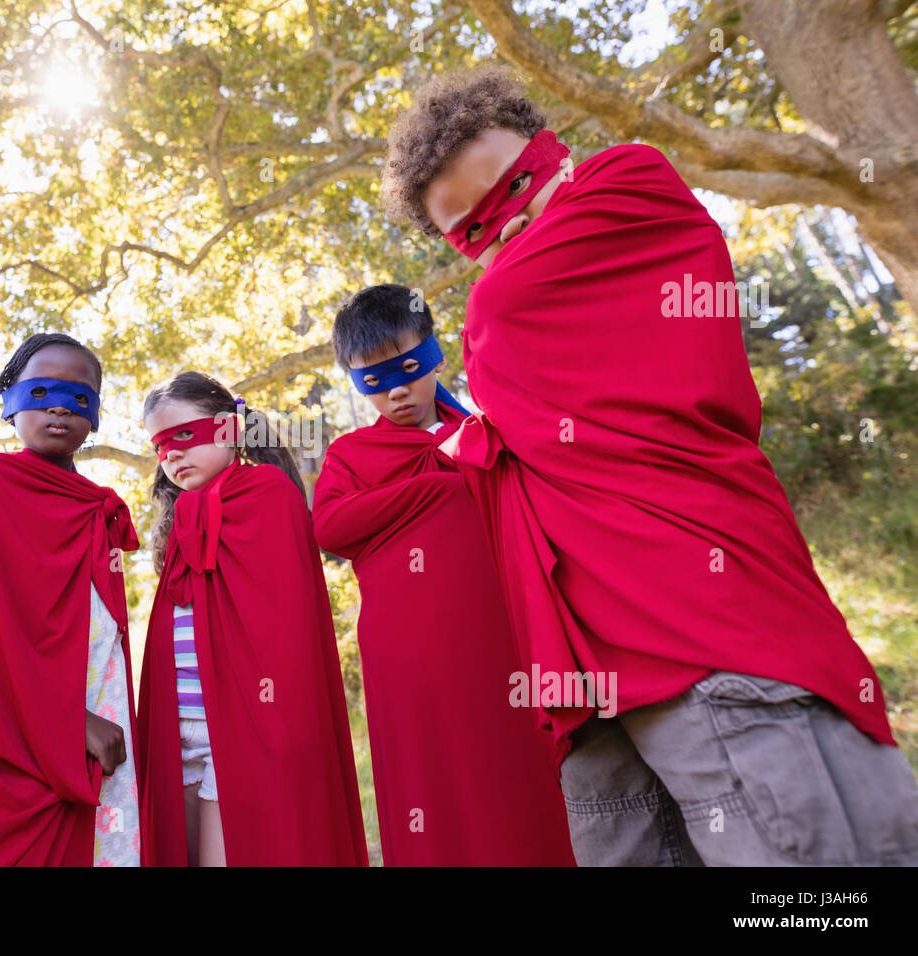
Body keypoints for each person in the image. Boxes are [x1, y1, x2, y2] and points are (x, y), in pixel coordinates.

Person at [379, 66, 918, 865]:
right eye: (475, 232)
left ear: (553, 154)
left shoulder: (630, 185)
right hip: (593, 688)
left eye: (516, 187)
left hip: (712, 640)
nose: (511, 228)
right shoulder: (515, 320)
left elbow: (515, 318)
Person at [312, 283, 575, 866]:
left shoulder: (490, 427)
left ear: (434, 351)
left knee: (521, 775)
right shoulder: (352, 455)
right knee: (437, 783)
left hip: (504, 636)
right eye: (374, 381)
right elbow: (329, 528)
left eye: (407, 367)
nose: (397, 391)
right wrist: (437, 488)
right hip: (411, 656)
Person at [0, 333, 141, 867]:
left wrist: (98, 714)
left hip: (104, 703)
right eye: (40, 392)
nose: (60, 407)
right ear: (8, 403)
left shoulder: (98, 507)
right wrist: (67, 723)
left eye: (79, 396)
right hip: (17, 729)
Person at [136, 371, 368, 866]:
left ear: (229, 428)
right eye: (159, 446)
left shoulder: (267, 493)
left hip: (244, 723)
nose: (171, 454)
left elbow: (283, 626)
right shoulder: (181, 515)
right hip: (179, 721)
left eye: (182, 436)